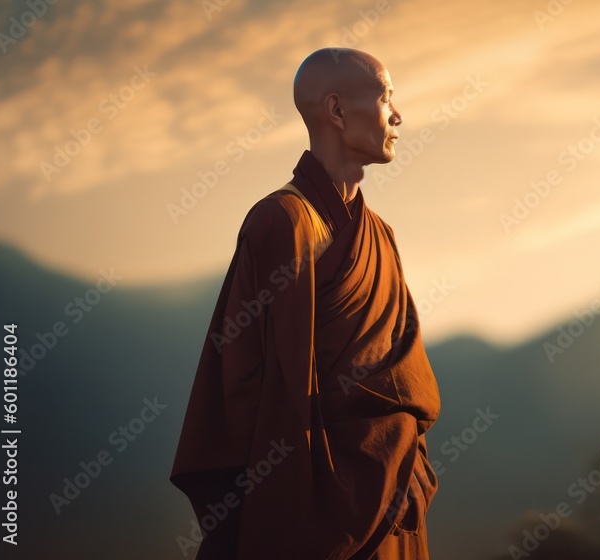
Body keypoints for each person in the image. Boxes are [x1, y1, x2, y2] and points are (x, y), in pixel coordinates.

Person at [170, 47, 441, 560]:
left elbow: (409, 377)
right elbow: (256, 383)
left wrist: (407, 466)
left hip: (391, 494)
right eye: (386, 98)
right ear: (337, 111)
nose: (398, 115)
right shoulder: (282, 222)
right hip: (309, 503)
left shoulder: (380, 235)